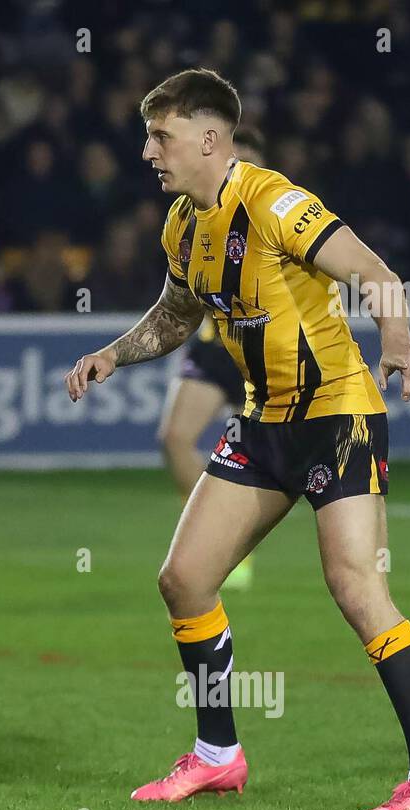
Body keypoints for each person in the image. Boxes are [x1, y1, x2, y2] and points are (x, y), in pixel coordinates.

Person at [64, 69, 410, 810]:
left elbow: (375, 273)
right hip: (262, 421)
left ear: (209, 139)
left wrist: (399, 341)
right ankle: (218, 756)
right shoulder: (182, 223)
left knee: (355, 588)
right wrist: (113, 352)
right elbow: (177, 314)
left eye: (161, 136)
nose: (149, 151)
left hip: (336, 416)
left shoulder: (277, 202)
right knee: (183, 579)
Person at [158, 125, 264, 590]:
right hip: (213, 344)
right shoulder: (196, 215)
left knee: (261, 460)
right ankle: (209, 542)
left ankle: (230, 545)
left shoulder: (273, 214)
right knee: (174, 438)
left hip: (261, 351)